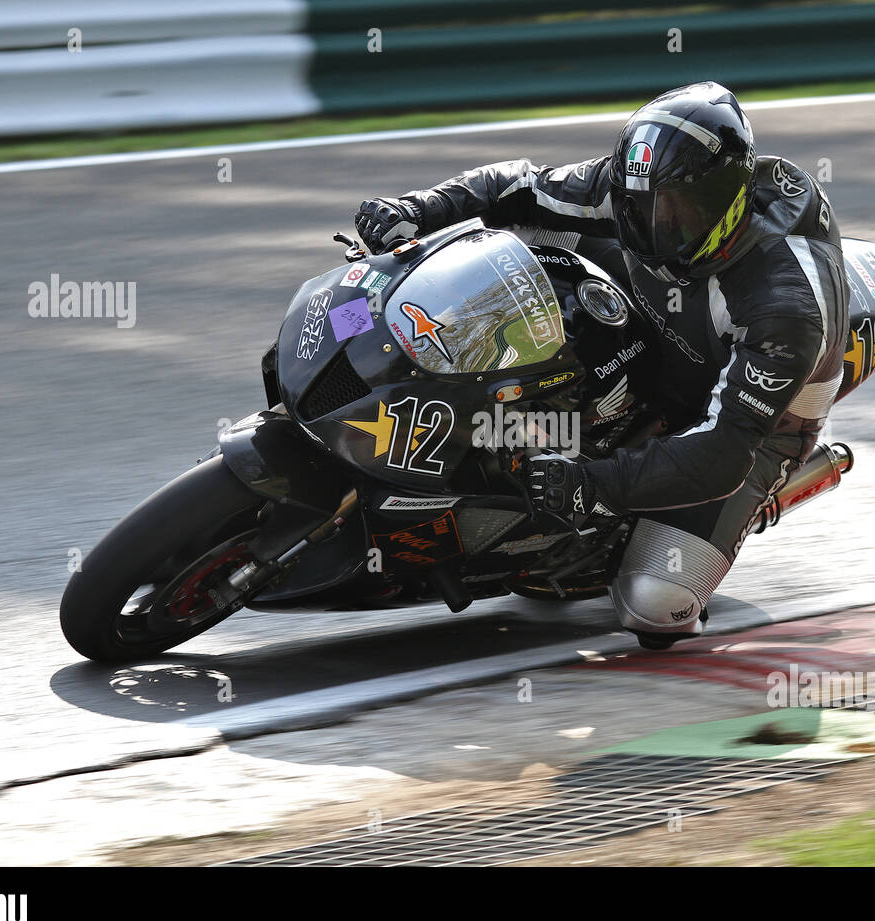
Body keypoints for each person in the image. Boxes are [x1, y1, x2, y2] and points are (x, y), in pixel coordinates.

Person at [354, 81, 849, 649]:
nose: (654, 225)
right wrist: (419, 208)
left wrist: (591, 484)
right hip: (650, 319)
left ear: (727, 201)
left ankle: (740, 503)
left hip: (750, 422)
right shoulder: (640, 189)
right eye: (643, 206)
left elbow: (720, 454)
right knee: (521, 223)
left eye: (679, 213)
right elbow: (517, 186)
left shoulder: (783, 307)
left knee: (655, 605)